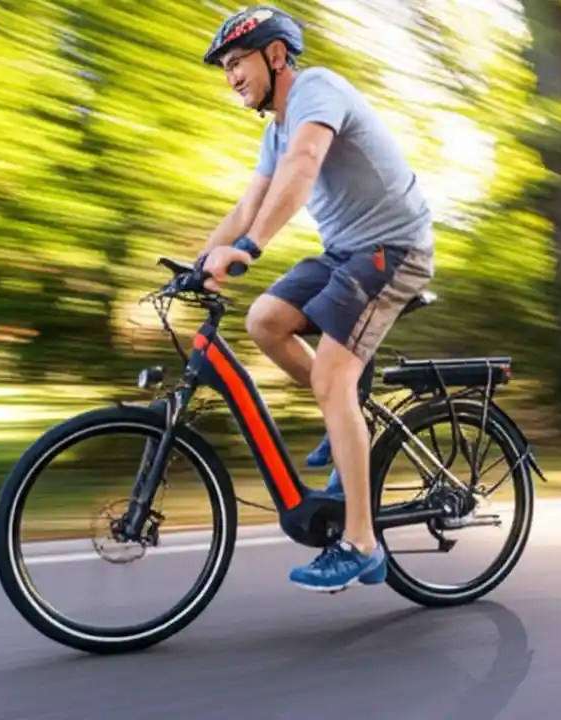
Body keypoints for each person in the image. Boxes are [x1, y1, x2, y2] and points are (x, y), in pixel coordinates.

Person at [198, 5, 435, 592]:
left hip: (393, 247)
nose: (231, 77)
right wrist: (199, 260)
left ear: (276, 56)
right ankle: (346, 412)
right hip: (346, 253)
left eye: (237, 63)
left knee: (331, 377)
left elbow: (303, 166)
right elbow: (250, 200)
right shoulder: (273, 129)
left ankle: (361, 543)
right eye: (225, 68)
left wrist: (249, 248)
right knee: (265, 319)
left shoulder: (317, 90)